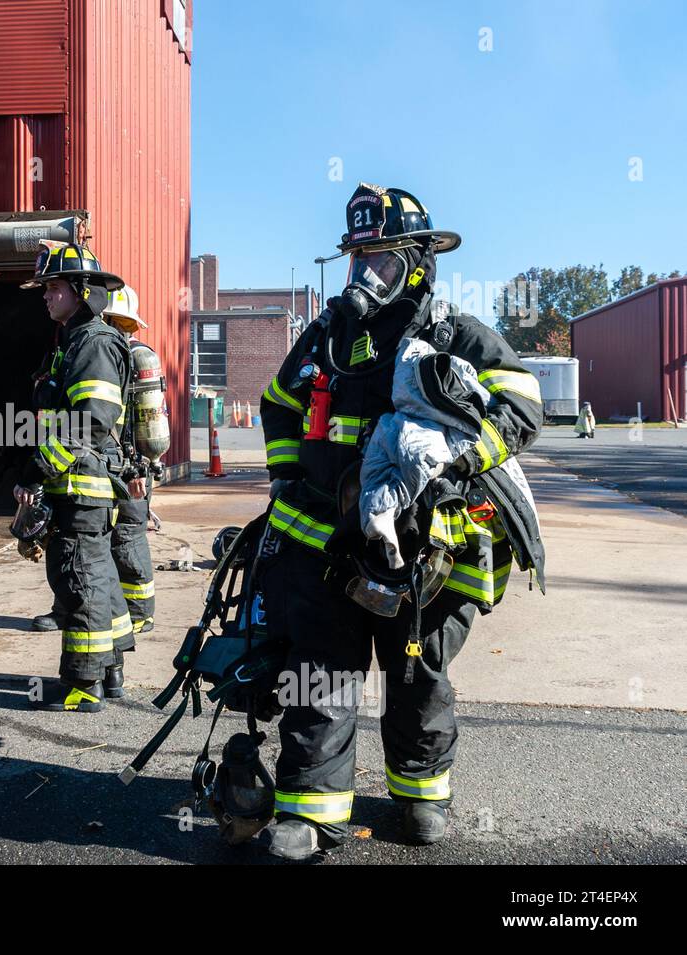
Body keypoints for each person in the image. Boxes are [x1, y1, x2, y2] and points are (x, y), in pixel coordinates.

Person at [253, 184, 544, 858]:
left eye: (379, 262)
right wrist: (287, 476)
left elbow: (525, 400)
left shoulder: (449, 332)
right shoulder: (327, 335)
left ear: (415, 264)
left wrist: (464, 461)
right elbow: (274, 403)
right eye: (357, 261)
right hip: (329, 541)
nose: (363, 277)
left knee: (417, 672)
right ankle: (310, 809)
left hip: (423, 547)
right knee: (320, 671)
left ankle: (421, 795)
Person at [15, 241, 138, 713]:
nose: (46, 296)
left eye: (54, 287)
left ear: (82, 291)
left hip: (82, 485)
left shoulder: (94, 343)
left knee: (79, 582)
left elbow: (92, 420)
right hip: (74, 484)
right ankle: (109, 674)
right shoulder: (73, 341)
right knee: (96, 578)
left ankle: (81, 687)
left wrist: (36, 470)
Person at [102, 285, 156, 635]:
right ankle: (129, 611)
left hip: (130, 465)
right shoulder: (119, 355)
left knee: (127, 536)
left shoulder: (128, 358)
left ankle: (139, 613)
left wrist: (138, 468)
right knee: (112, 538)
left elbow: (139, 423)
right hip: (118, 462)